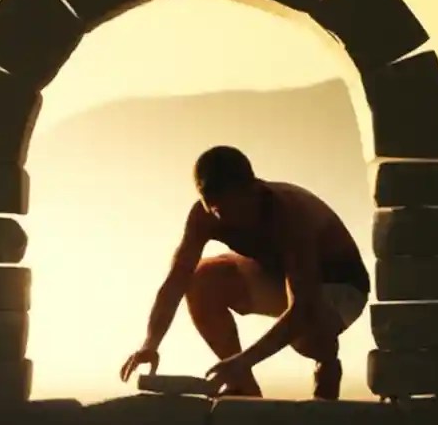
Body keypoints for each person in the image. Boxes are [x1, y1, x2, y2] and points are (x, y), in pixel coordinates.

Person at [119, 145, 370, 400]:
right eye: (218, 211)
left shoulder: (289, 213)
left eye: (237, 208)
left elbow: (302, 306)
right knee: (201, 279)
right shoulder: (204, 217)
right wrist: (150, 344)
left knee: (307, 332)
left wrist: (244, 360)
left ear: (253, 189)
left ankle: (326, 366)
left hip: (339, 285)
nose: (230, 219)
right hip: (276, 275)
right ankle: (245, 389)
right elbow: (176, 280)